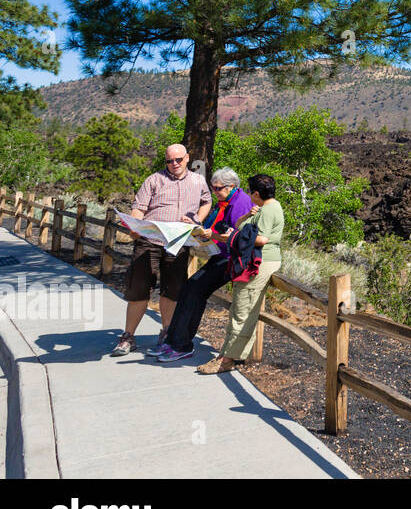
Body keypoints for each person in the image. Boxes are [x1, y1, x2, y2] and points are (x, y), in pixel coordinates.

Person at [111, 143, 211, 357]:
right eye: (169, 160)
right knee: (139, 290)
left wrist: (198, 219)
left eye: (178, 159)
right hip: (150, 241)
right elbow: (138, 208)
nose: (174, 164)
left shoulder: (198, 180)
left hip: (179, 242)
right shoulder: (154, 180)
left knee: (172, 290)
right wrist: (135, 226)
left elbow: (206, 201)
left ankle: (166, 333)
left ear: (187, 158)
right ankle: (128, 336)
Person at [154, 168, 253, 362]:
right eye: (213, 188)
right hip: (219, 255)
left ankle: (181, 345)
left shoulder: (240, 203)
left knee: (193, 289)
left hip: (231, 258)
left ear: (232, 186)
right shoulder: (226, 201)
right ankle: (173, 341)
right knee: (190, 289)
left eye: (218, 189)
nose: (214, 192)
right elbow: (212, 225)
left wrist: (212, 235)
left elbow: (236, 236)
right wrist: (193, 224)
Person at [198, 173, 283, 374]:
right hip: (255, 260)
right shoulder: (264, 208)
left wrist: (234, 237)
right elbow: (239, 226)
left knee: (242, 310)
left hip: (261, 262)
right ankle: (230, 355)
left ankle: (226, 359)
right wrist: (248, 216)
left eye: (249, 192)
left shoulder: (270, 210)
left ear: (255, 193)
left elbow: (262, 239)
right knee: (242, 308)